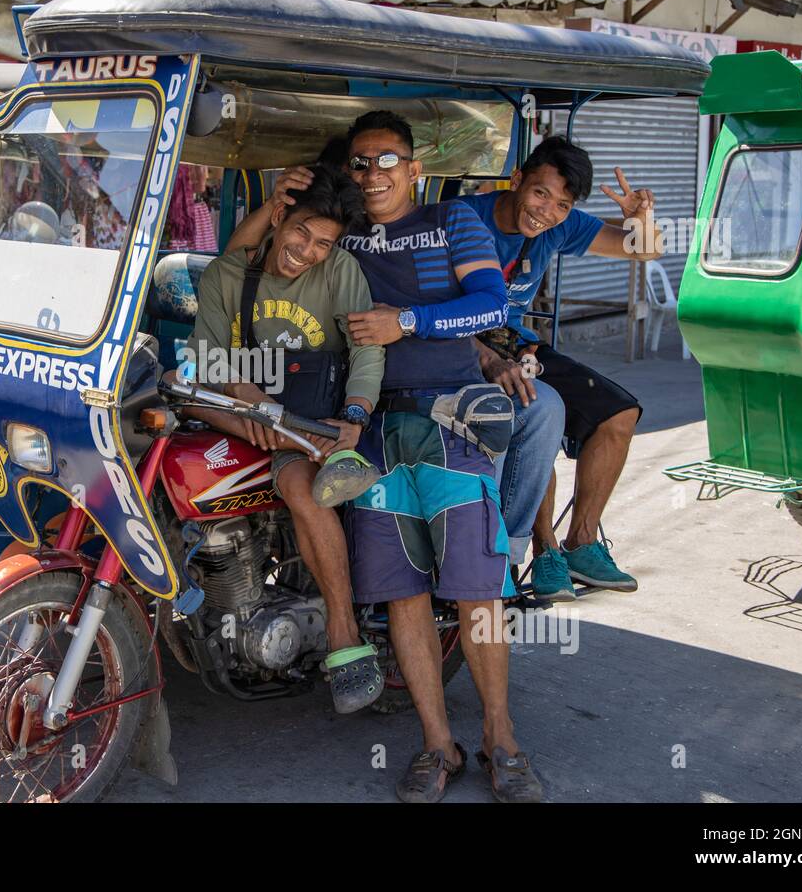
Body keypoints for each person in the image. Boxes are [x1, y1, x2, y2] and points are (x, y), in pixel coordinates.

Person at [225, 112, 542, 803]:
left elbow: (489, 300)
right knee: (403, 593)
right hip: (364, 434)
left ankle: (502, 736)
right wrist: (280, 201)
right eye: (362, 164)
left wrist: (410, 321)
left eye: (388, 161)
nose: (374, 175)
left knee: (476, 591)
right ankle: (437, 742)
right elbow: (245, 262)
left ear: (415, 168)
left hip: (451, 423)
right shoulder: (340, 237)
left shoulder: (453, 223)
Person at [187, 163, 388, 714]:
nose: (308, 251)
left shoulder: (341, 271)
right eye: (301, 233)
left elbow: (368, 349)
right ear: (278, 217)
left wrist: (355, 412)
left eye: (323, 242)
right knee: (177, 403)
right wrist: (251, 403)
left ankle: (346, 640)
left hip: (316, 412)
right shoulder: (228, 274)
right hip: (243, 408)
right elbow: (204, 359)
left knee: (305, 487)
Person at [453, 136, 661, 601]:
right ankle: (542, 549)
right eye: (540, 194)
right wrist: (487, 357)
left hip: (519, 348)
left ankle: (581, 542)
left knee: (619, 414)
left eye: (562, 204)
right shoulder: (465, 218)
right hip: (462, 345)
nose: (546, 211)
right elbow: (427, 305)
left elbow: (640, 250)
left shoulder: (557, 226)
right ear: (517, 180)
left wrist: (640, 220)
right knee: (537, 411)